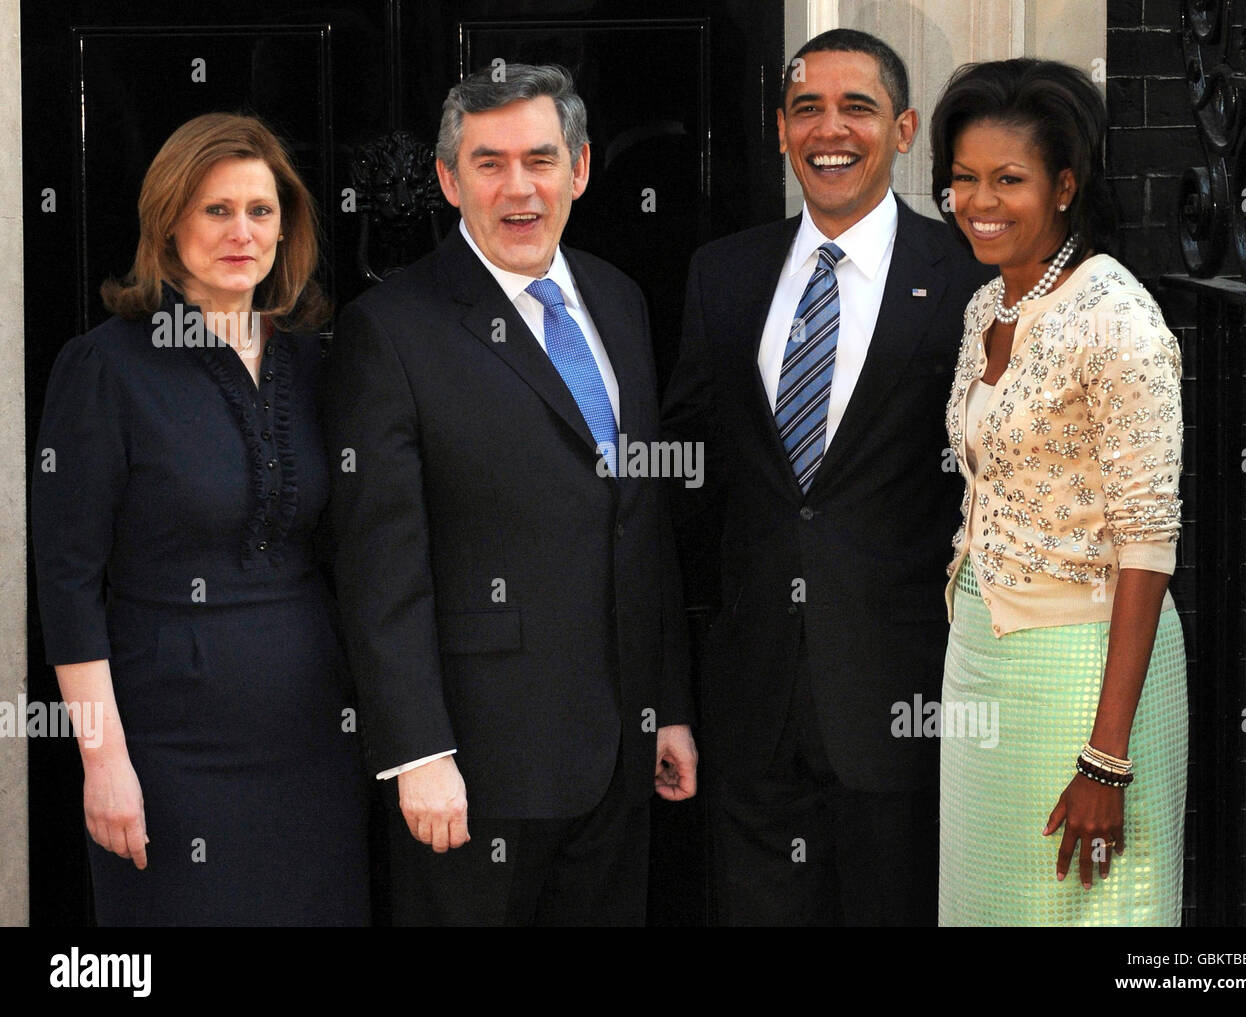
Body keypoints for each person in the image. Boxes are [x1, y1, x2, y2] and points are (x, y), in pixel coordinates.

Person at [321, 63, 697, 927]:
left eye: (539, 158)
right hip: (475, 769)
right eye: (488, 163)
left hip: (619, 753)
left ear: (581, 167)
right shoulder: (391, 329)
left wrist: (668, 706)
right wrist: (417, 749)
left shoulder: (619, 298)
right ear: (451, 181)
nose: (518, 187)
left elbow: (640, 526)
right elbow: (381, 565)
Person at [660, 29, 991, 925]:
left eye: (858, 108)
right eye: (807, 107)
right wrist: (677, 689)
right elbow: (690, 491)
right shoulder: (720, 276)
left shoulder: (969, 282)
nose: (829, 129)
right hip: (751, 714)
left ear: (906, 127)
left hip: (903, 709)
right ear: (779, 129)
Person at [31, 112, 369, 925]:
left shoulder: (317, 358)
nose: (242, 232)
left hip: (313, 735)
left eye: (261, 210)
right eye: (216, 210)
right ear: (169, 222)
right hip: (167, 744)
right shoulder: (105, 365)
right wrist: (102, 763)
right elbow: (68, 581)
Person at [930, 58, 1187, 925]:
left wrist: (1106, 758)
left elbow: (1148, 541)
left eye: (1010, 179)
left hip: (1084, 679)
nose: (980, 201)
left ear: (1066, 186)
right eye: (963, 179)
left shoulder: (1116, 315)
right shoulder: (985, 308)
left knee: (1087, 910)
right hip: (981, 666)